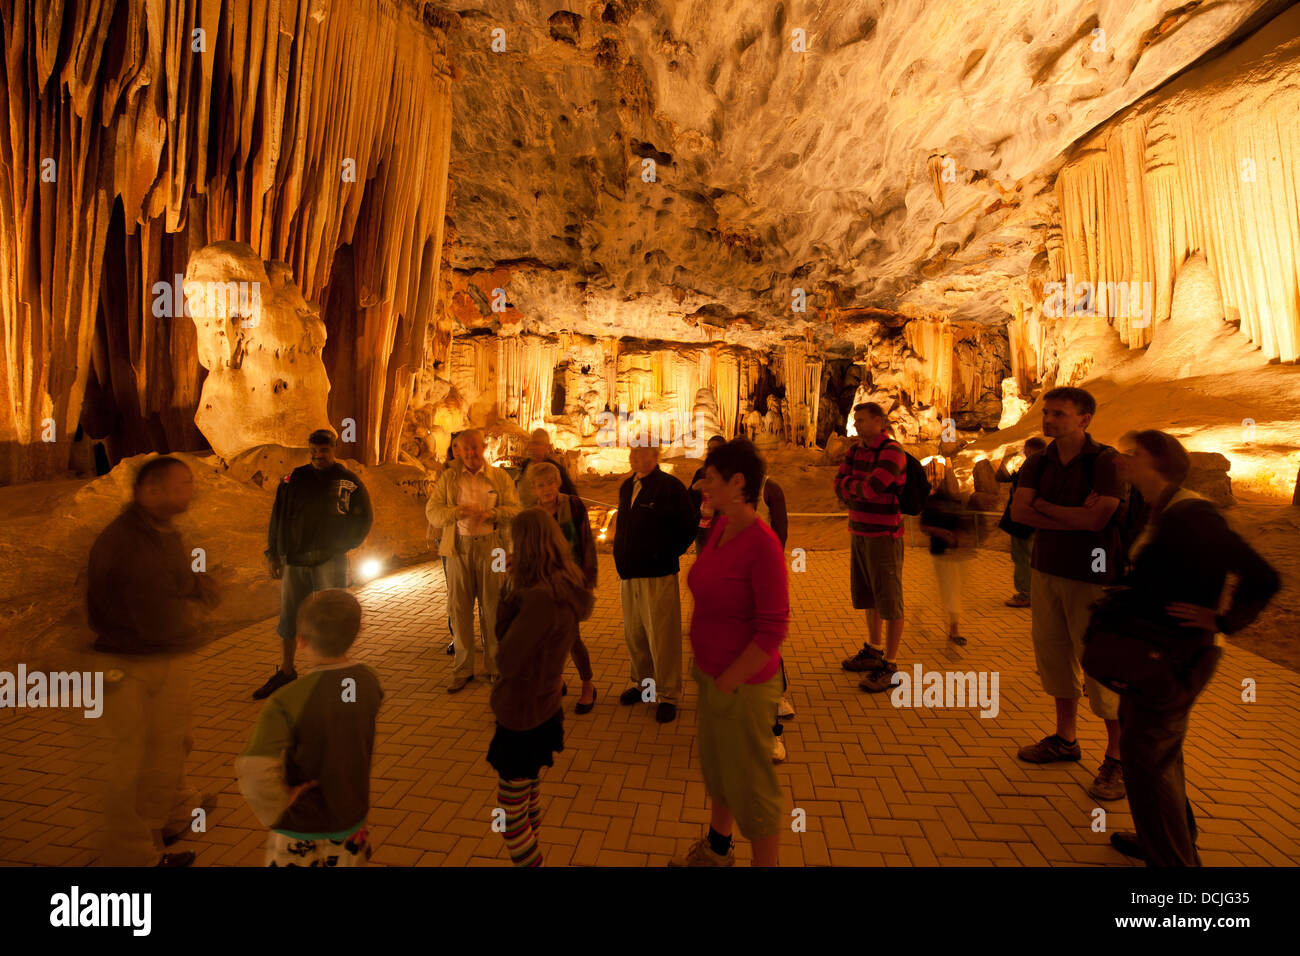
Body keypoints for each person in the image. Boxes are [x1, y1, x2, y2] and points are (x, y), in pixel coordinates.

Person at [1099, 431, 1278, 866]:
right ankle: (1170, 838)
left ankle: (1175, 863)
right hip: (1150, 653)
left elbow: (1262, 576)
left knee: (1147, 761)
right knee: (1158, 756)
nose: (1121, 460)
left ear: (1156, 464)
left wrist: (1221, 620)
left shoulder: (1193, 515)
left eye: (1132, 454)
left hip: (1174, 657)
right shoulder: (1157, 508)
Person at [87, 456, 220, 867]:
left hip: (156, 656)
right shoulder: (128, 543)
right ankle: (132, 857)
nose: (189, 491)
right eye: (180, 485)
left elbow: (177, 579)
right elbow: (153, 612)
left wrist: (200, 587)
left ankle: (176, 812)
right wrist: (193, 618)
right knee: (135, 762)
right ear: (151, 490)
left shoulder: (159, 532)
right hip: (132, 661)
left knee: (172, 741)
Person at [672, 439, 789, 866]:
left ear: (737, 482)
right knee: (719, 774)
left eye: (711, 477)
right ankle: (718, 849)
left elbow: (773, 630)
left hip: (741, 688)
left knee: (752, 789)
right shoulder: (721, 526)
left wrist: (728, 680)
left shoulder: (764, 545)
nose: (703, 484)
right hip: (712, 677)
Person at [1009, 387, 1128, 801]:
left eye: (1059, 414)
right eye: (1047, 412)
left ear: (1084, 419)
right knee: (1054, 655)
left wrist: (1047, 510)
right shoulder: (1038, 461)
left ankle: (1117, 756)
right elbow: (1019, 512)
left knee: (1098, 664)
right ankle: (1066, 738)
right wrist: (1075, 518)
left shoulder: (1105, 462)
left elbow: (1100, 518)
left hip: (1093, 574)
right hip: (1046, 569)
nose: (1049, 419)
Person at [236, 589, 383, 867]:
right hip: (352, 821)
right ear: (359, 630)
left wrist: (276, 809)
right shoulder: (370, 682)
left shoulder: (286, 699)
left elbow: (253, 767)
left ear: (301, 640)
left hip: (300, 829)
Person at [488, 509, 595, 866]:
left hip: (522, 715)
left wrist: (507, 591)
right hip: (545, 707)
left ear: (527, 546)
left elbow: (505, 658)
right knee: (528, 798)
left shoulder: (536, 599)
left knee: (510, 817)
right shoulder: (562, 583)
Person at [259, 429, 373, 700]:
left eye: (323, 450)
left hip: (329, 560)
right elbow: (278, 517)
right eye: (314, 450)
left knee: (331, 616)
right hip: (296, 559)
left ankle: (333, 672)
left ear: (333, 450)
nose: (318, 455)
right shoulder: (293, 480)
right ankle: (287, 670)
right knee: (289, 615)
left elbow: (363, 517)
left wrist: (345, 545)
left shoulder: (347, 481)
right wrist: (273, 552)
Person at [426, 429, 522, 692]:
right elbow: (433, 513)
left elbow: (515, 509)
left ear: (483, 448)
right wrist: (456, 512)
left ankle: (495, 667)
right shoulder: (448, 478)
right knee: (459, 609)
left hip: (493, 547)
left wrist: (493, 513)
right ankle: (462, 669)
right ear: (457, 450)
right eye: (464, 449)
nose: (470, 454)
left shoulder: (499, 477)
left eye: (475, 448)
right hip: (458, 548)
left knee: (493, 608)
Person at [613, 444, 698, 723]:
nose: (633, 456)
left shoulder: (669, 487)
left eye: (639, 452)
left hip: (658, 575)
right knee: (636, 635)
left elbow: (688, 526)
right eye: (631, 451)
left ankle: (668, 695)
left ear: (654, 456)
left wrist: (665, 553)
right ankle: (644, 687)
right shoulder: (628, 486)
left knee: (663, 638)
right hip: (629, 575)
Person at [836, 403, 908, 693]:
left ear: (878, 421)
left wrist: (853, 487)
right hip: (859, 531)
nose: (856, 425)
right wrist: (855, 486)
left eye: (861, 420)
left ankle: (890, 664)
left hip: (883, 534)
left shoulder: (892, 450)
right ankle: (873, 648)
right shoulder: (855, 450)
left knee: (889, 597)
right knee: (869, 595)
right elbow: (839, 484)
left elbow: (872, 488)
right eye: (855, 419)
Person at [529, 461, 599, 713]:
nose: (546, 489)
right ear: (534, 489)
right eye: (541, 485)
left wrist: (588, 577)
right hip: (544, 585)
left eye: (550, 483)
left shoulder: (573, 505)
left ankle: (588, 684)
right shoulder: (534, 515)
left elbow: (586, 542)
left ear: (557, 483)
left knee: (571, 638)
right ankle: (556, 681)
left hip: (571, 582)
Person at [919, 464, 976, 646]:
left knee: (956, 590)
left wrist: (965, 537)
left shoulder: (958, 502)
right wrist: (943, 534)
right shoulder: (933, 503)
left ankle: (951, 623)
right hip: (943, 553)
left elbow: (968, 523)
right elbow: (924, 526)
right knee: (952, 591)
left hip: (959, 553)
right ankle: (954, 629)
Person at [997, 436, 1047, 607]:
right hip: (1037, 521)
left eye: (1025, 449)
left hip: (1022, 522)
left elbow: (1006, 481)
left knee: (1022, 557)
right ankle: (1037, 593)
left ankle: (1025, 594)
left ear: (1029, 450)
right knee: (1034, 558)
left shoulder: (1030, 468)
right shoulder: (1048, 468)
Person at [516, 428, 577, 508]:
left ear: (547, 447)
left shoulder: (555, 470)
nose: (531, 447)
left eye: (536, 444)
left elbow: (571, 498)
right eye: (530, 443)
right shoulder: (524, 466)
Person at [689, 435, 727, 553]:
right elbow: (690, 497)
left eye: (715, 450)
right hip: (702, 526)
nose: (711, 453)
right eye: (709, 449)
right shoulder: (701, 472)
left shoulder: (730, 473)